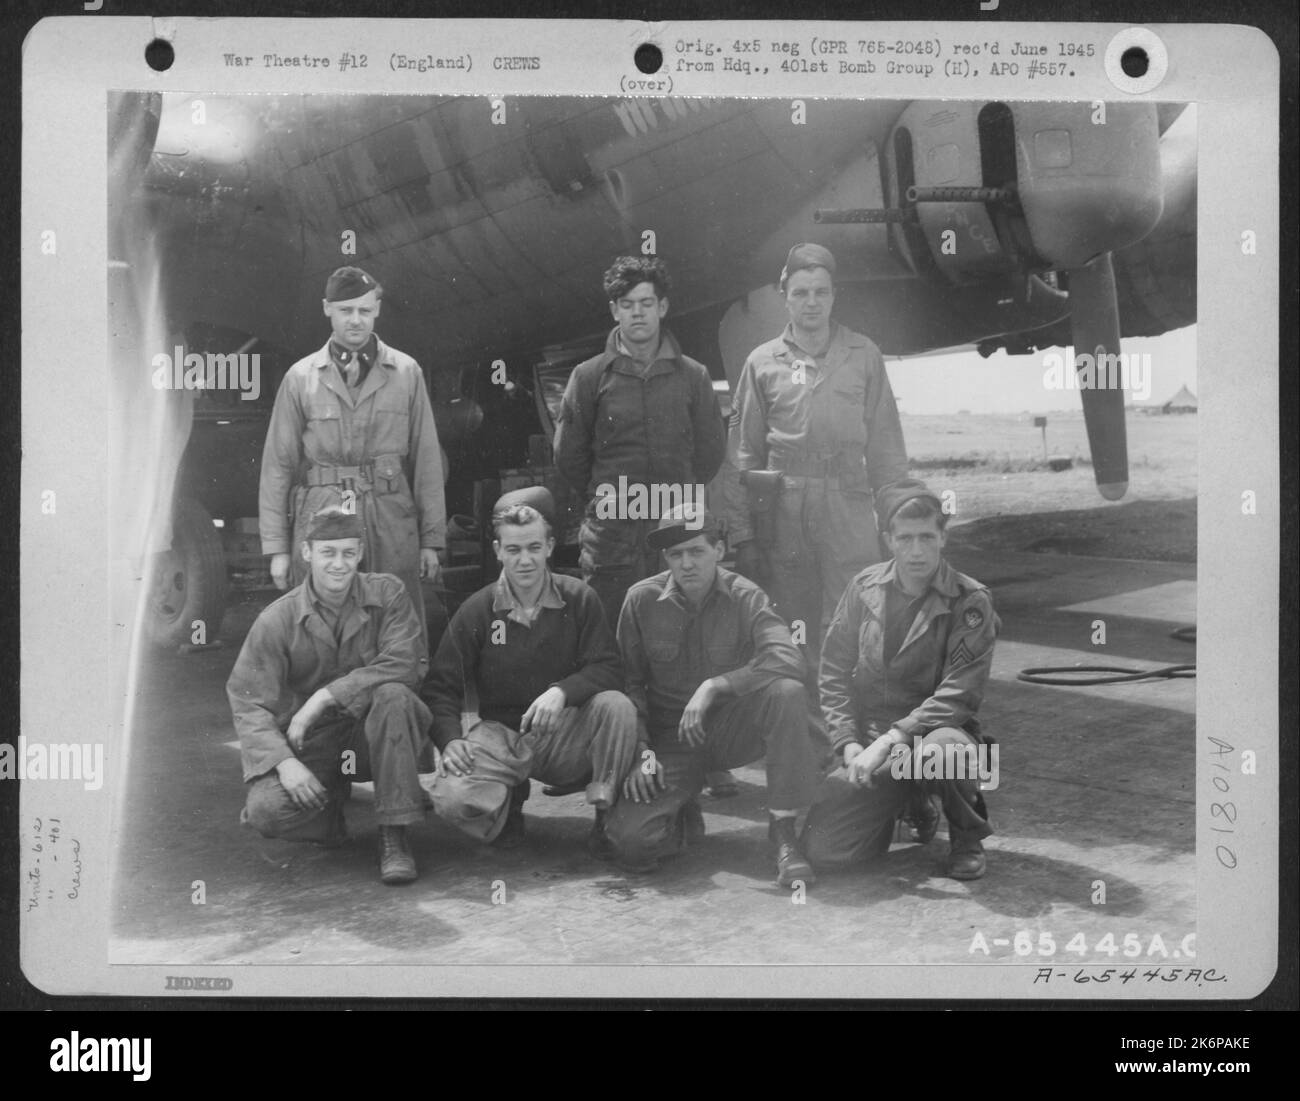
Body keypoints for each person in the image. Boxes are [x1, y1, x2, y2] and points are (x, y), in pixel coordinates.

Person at [553, 254, 735, 797]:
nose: (638, 315)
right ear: (614, 310)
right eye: (627, 305)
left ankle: (704, 754)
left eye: (647, 304)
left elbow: (709, 453)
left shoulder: (693, 376)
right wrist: (618, 502)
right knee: (610, 644)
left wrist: (672, 508)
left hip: (674, 530)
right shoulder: (589, 377)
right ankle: (609, 754)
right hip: (613, 530)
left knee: (685, 638)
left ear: (663, 308)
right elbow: (570, 459)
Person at [602, 504, 823, 885]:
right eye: (676, 554)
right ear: (665, 558)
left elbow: (788, 656)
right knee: (632, 846)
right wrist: (642, 753)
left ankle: (784, 832)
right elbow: (630, 684)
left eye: (696, 551)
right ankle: (682, 809)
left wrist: (717, 685)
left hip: (731, 729)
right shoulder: (640, 600)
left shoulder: (745, 596)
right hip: (671, 740)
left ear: (719, 551)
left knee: (785, 693)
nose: (686, 564)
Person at [801, 481, 1000, 880]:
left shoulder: (970, 600)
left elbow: (959, 693)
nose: (916, 550)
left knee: (946, 751)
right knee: (829, 852)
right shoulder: (864, 587)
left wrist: (890, 741)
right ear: (888, 540)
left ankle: (966, 836)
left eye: (927, 537)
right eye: (905, 538)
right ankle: (909, 801)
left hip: (933, 735)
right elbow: (834, 669)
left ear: (943, 537)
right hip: (872, 740)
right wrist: (848, 740)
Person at [727, 243, 909, 677]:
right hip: (785, 507)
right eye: (801, 292)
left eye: (821, 293)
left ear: (833, 296)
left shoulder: (864, 355)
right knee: (793, 619)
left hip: (848, 503)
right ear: (785, 295)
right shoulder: (762, 361)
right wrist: (743, 536)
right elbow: (743, 453)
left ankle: (849, 723)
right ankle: (806, 721)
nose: (811, 302)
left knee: (856, 610)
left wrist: (894, 519)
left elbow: (885, 448)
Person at [228, 507, 435, 885]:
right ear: (307, 553)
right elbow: (248, 701)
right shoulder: (278, 619)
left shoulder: (388, 594)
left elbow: (406, 662)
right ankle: (329, 814)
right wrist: (284, 763)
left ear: (360, 553)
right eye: (327, 553)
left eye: (348, 553)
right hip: (318, 742)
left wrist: (324, 696)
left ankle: (395, 833)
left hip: (378, 734)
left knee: (393, 695)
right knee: (267, 812)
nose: (338, 564)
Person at [423, 487, 639, 848]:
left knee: (616, 706)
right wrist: (450, 740)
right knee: (451, 797)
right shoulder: (479, 609)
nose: (525, 560)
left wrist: (562, 692)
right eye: (514, 549)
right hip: (500, 737)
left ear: (550, 547)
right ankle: (507, 807)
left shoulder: (579, 598)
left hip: (563, 732)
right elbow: (440, 686)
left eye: (534, 548)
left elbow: (608, 667)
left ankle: (607, 814)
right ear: (497, 552)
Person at [258, 265, 446, 654]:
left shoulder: (407, 373)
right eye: (346, 311)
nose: (356, 320)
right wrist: (277, 548)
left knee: (394, 618)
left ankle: (397, 705)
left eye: (364, 310)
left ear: (377, 309)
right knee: (322, 621)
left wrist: (431, 540)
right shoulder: (300, 378)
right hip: (323, 513)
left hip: (391, 515)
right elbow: (278, 465)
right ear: (327, 309)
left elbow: (427, 460)